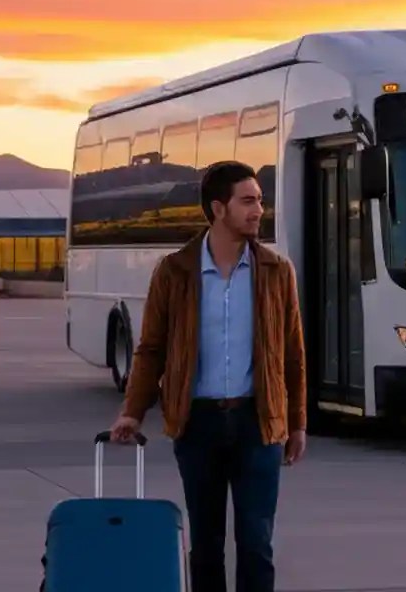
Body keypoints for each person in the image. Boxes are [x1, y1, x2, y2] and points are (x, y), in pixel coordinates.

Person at [109, 159, 307, 592]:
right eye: (248, 201)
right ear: (219, 208)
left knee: (256, 542)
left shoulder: (276, 272)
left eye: (260, 200)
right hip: (197, 424)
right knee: (206, 544)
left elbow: (293, 354)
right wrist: (132, 412)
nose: (259, 210)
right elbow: (151, 349)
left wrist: (296, 422)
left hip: (259, 423)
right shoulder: (175, 271)